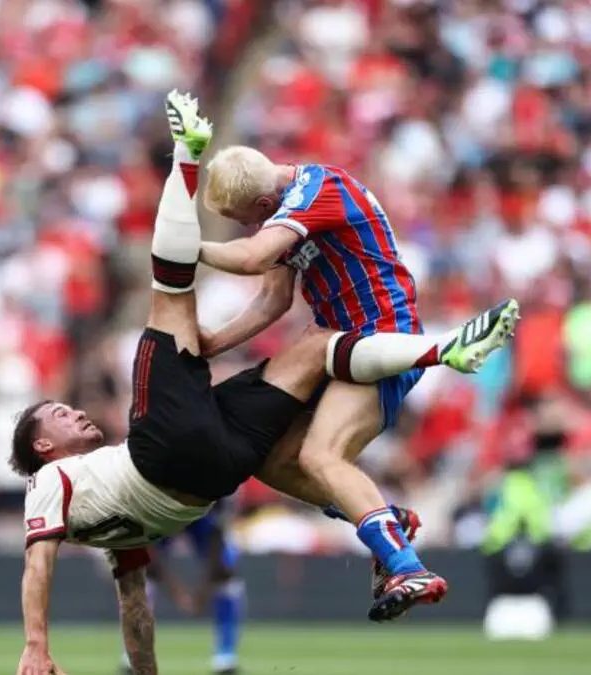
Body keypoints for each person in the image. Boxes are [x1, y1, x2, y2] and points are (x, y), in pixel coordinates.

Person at [13, 91, 508, 675]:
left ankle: (436, 377)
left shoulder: (315, 192)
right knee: (180, 298)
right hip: (183, 450)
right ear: (42, 449)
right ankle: (186, 155)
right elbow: (42, 568)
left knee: (311, 408)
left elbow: (135, 606)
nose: (72, 412)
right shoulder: (50, 482)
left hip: (226, 460)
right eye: (59, 417)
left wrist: (191, 271)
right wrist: (35, 646)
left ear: (265, 201)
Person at [197, 142, 520, 620]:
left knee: (319, 455)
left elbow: (249, 259)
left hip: (380, 341)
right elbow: (273, 301)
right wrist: (214, 344)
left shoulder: (317, 190)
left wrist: (187, 249)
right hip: (336, 352)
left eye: (246, 218)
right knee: (265, 458)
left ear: (263, 205)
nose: (249, 227)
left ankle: (408, 567)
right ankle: (386, 520)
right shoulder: (285, 211)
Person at [118, 501, 242, 675]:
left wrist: (201, 596)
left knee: (228, 582)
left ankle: (225, 657)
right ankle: (133, 652)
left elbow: (219, 559)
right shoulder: (153, 497)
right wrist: (178, 594)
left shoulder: (214, 493)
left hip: (200, 513)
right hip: (161, 510)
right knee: (138, 575)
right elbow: (149, 560)